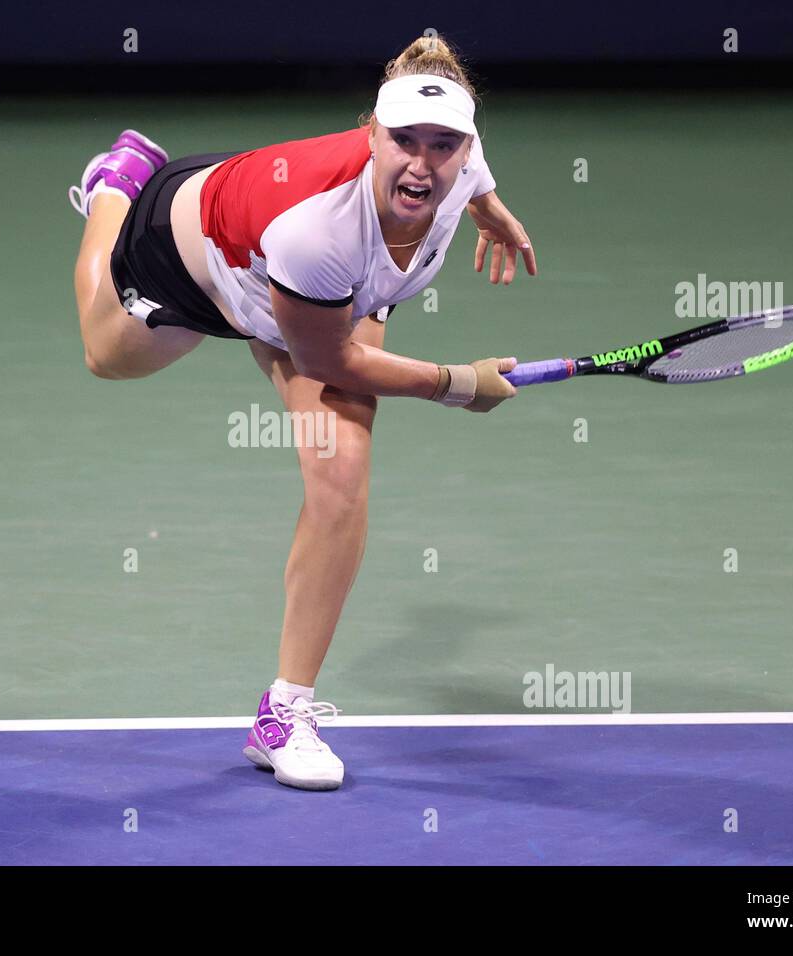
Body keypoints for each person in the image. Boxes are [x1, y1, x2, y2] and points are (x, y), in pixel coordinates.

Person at [69, 35, 536, 791]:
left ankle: (284, 713)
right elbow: (327, 359)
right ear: (372, 136)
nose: (424, 162)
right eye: (404, 142)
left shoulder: (456, 166)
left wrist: (490, 212)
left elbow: (471, 179)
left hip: (320, 295)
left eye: (443, 145)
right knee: (104, 352)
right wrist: (457, 382)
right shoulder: (319, 230)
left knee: (341, 481)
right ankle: (114, 185)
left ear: (465, 145)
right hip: (193, 258)